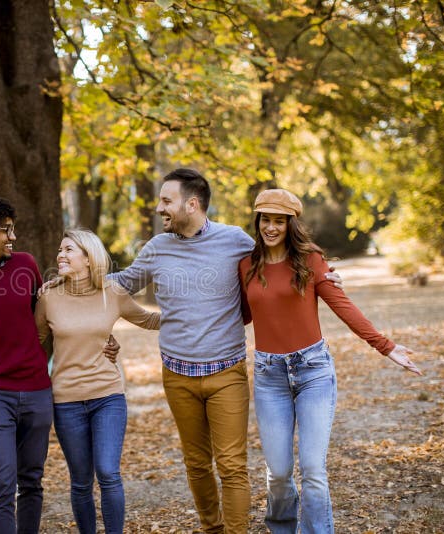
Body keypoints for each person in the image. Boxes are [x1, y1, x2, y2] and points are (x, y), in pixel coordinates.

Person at [105, 169, 342, 534]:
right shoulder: (156, 248)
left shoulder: (235, 241)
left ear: (192, 204)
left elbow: (276, 256)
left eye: (166, 201)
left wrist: (323, 272)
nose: (159, 208)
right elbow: (122, 284)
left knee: (232, 465)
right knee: (197, 464)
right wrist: (78, 278)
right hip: (177, 375)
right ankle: (211, 528)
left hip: (226, 374)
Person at [0, 195, 118, 534]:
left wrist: (101, 337)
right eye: (6, 230)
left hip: (37, 392)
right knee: (1, 484)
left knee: (32, 482)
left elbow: (53, 317)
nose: (12, 237)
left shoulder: (26, 266)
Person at [239, 189, 422, 534]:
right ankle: (282, 529)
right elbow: (245, 315)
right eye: (266, 219)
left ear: (291, 224)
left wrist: (385, 346)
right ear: (258, 221)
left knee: (312, 470)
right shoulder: (247, 265)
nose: (271, 227)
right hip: (269, 375)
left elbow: (343, 306)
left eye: (279, 220)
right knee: (278, 473)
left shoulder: (310, 259)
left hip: (313, 372)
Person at [35, 229, 160, 534]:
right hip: (66, 401)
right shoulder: (49, 297)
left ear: (88, 258)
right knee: (80, 480)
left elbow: (149, 319)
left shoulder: (112, 293)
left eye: (68, 250)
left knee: (108, 472)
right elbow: (34, 344)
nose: (60, 256)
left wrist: (196, 311)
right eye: (60, 250)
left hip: (108, 396)